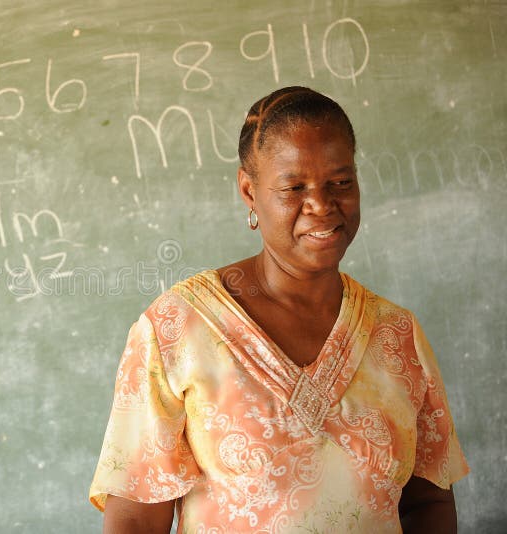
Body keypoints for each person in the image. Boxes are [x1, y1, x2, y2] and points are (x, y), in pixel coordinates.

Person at [89, 87, 469, 533]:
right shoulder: (178, 329)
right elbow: (135, 518)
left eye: (340, 182)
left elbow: (428, 503)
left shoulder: (397, 334)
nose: (322, 206)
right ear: (250, 191)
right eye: (294, 187)